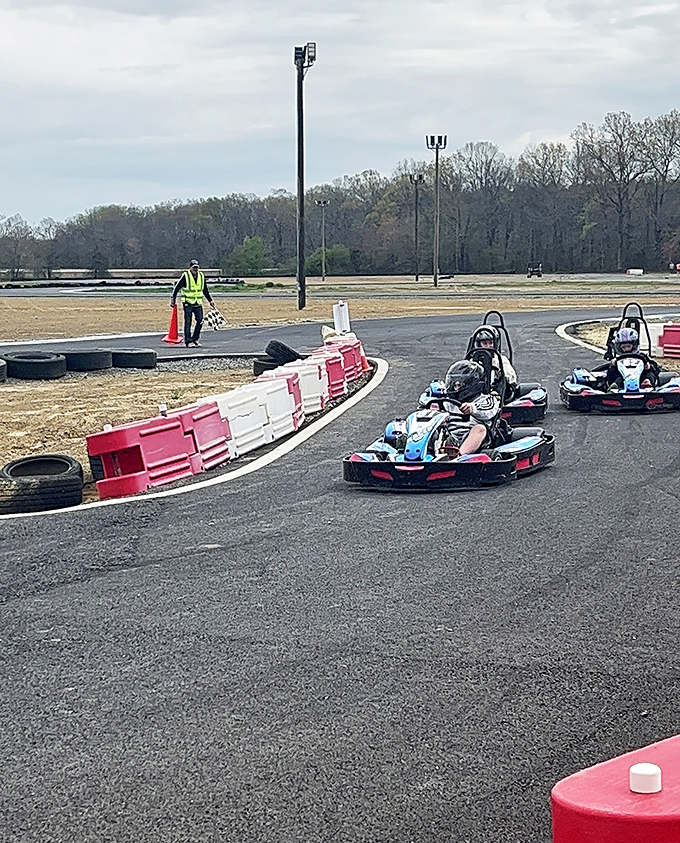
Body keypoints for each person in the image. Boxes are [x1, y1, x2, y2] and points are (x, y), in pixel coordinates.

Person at [442, 359, 502, 455]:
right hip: (450, 434)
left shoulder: (485, 399)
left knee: (480, 429)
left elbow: (489, 410)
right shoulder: (447, 401)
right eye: (453, 385)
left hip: (471, 435)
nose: (455, 388)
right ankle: (424, 454)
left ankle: (459, 455)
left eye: (459, 385)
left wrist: (473, 408)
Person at [170, 260, 217, 348]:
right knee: (188, 322)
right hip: (188, 303)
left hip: (197, 302)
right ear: (190, 268)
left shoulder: (201, 276)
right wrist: (173, 300)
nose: (195, 269)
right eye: (194, 267)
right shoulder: (186, 276)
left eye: (196, 267)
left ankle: (195, 338)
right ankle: (188, 341)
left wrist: (210, 300)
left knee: (200, 320)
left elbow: (205, 290)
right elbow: (176, 288)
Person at [473, 326, 518, 400]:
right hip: (478, 394)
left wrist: (501, 375)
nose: (488, 346)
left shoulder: (502, 360)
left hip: (500, 394)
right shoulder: (473, 361)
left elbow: (512, 381)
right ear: (478, 344)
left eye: (491, 343)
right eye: (484, 343)